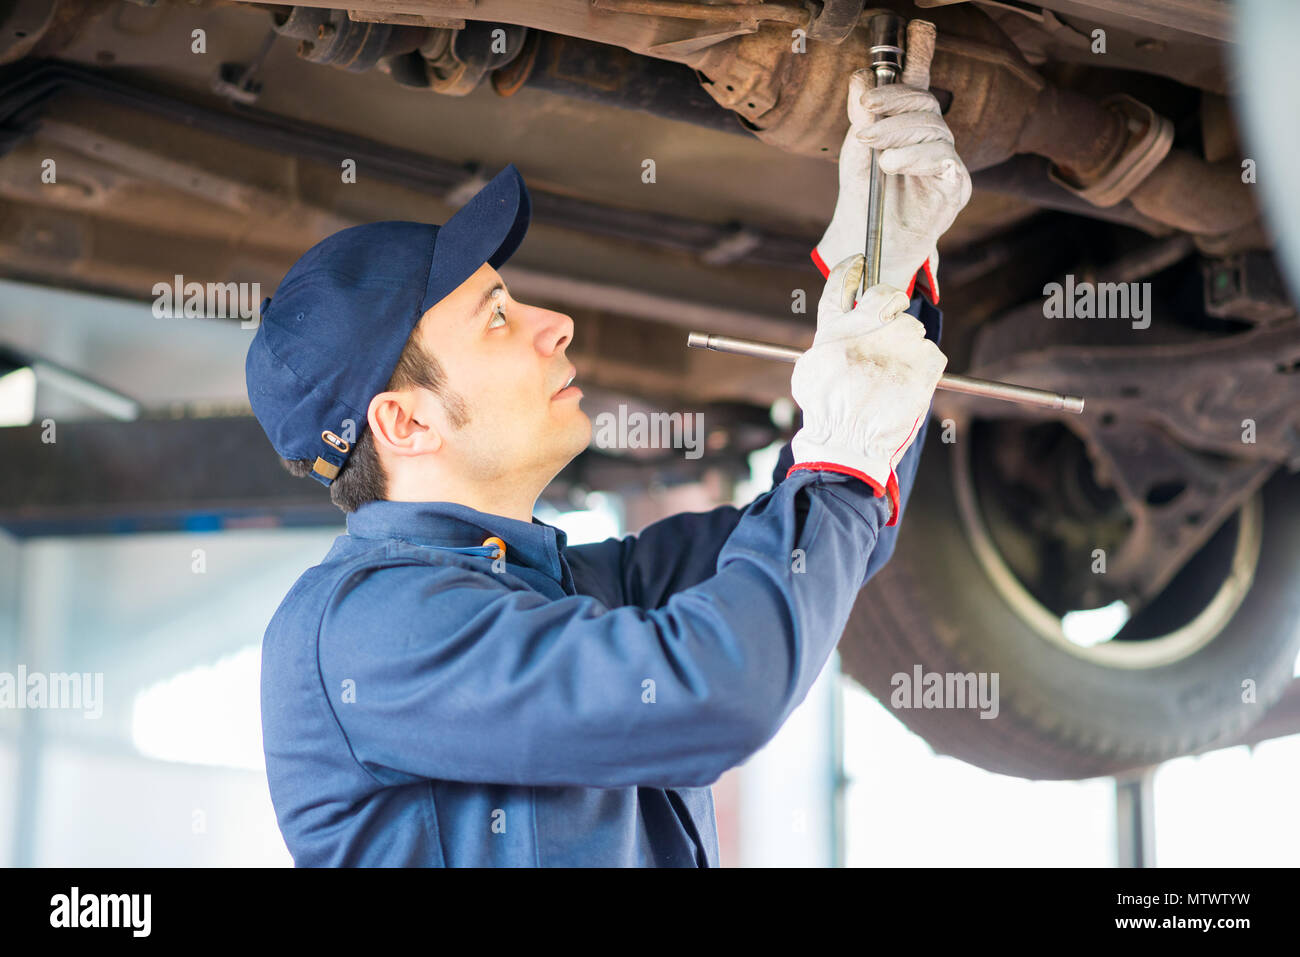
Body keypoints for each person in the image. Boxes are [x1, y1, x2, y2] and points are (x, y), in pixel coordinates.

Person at [245, 45, 970, 866]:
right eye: (495, 316)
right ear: (404, 422)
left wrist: (884, 277)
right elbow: (722, 691)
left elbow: (831, 533)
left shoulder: (568, 587)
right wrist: (840, 460)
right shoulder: (364, 631)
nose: (556, 323)